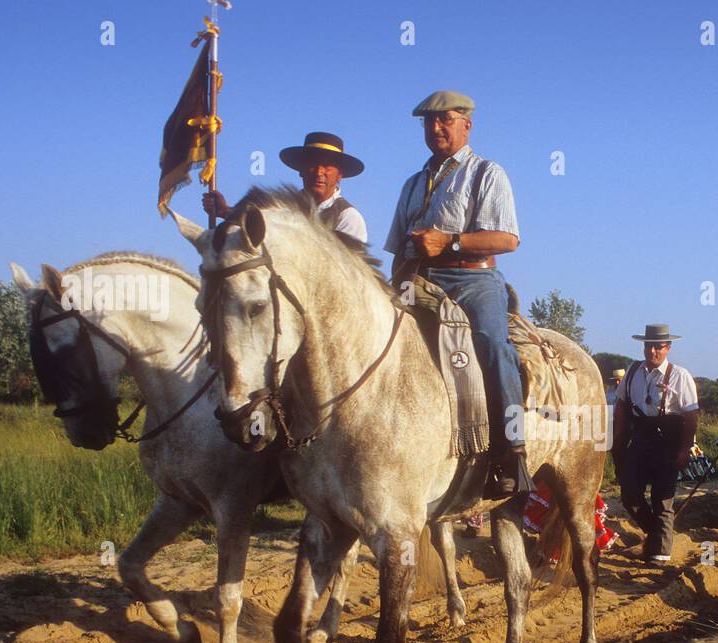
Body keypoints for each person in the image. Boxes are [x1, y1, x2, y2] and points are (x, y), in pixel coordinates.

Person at [384, 90, 528, 497]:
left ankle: (511, 451)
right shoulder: (412, 184)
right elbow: (397, 248)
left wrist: (449, 242)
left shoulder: (486, 173)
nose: (435, 128)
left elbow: (508, 239)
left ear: (467, 124)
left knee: (492, 344)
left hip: (473, 279)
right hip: (417, 278)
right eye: (429, 123)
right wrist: (394, 285)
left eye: (445, 120)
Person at [610, 324, 700, 564]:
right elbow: (621, 406)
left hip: (668, 442)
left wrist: (685, 448)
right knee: (629, 493)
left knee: (662, 498)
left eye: (658, 347)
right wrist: (617, 441)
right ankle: (657, 531)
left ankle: (658, 554)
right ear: (644, 346)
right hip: (640, 439)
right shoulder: (632, 372)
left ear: (667, 348)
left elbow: (691, 417)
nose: (652, 352)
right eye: (649, 346)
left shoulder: (680, 376)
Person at [203, 131, 368, 243]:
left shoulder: (347, 217)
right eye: (312, 164)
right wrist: (225, 212)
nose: (319, 172)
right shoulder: (282, 207)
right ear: (301, 171)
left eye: (327, 166)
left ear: (339, 175)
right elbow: (258, 224)